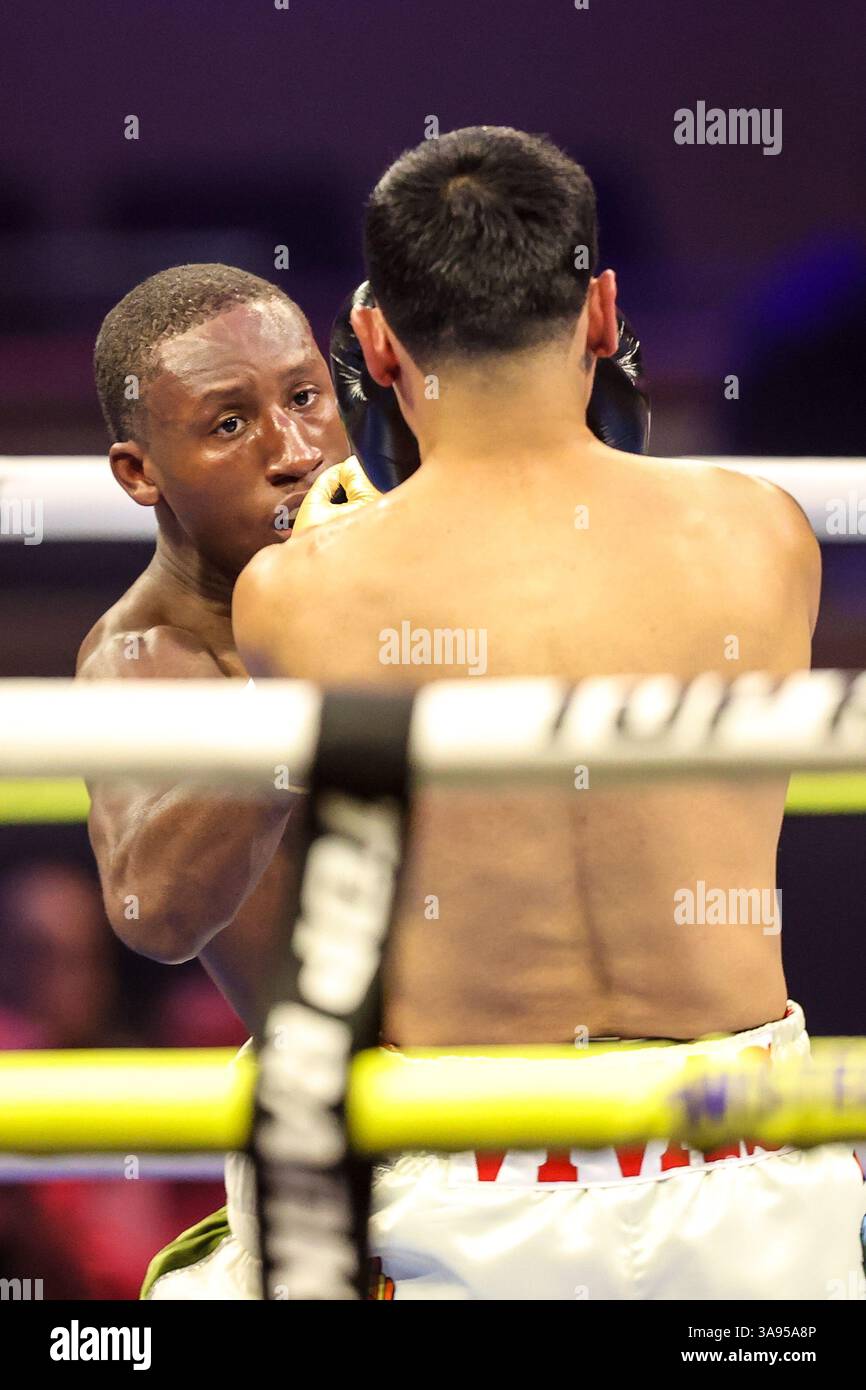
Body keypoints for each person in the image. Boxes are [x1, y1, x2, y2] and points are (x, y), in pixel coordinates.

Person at [229, 127, 866, 1299]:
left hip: (462, 1181)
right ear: (600, 311)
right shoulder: (762, 534)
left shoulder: (295, 594)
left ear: (373, 340)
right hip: (748, 1172)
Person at [77, 262, 351, 1030]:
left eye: (305, 398)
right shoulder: (144, 655)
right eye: (229, 424)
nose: (296, 452)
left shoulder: (402, 558)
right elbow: (154, 915)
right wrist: (300, 683)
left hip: (569, 1081)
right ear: (140, 473)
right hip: (358, 1110)